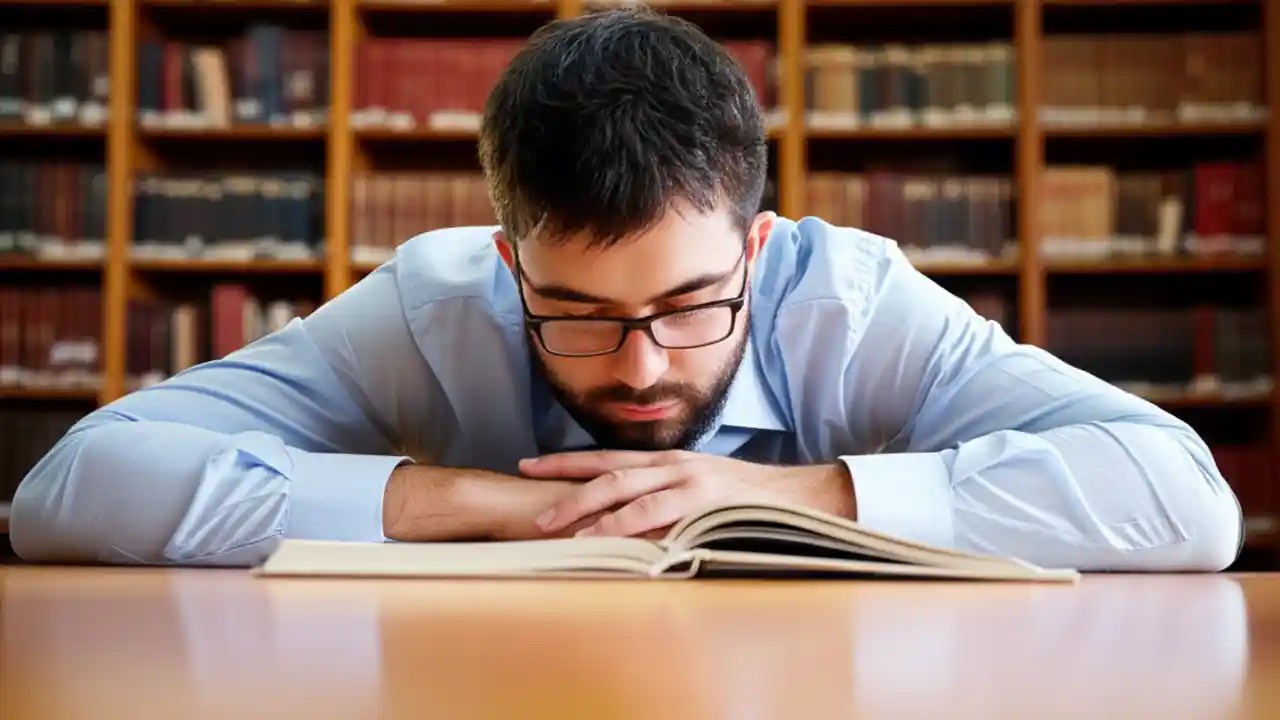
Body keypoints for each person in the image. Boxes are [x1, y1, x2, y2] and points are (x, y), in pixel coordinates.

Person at [10, 8, 1241, 571]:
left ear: (756, 251)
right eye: (580, 315)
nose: (643, 367)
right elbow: (71, 489)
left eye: (692, 306)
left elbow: (1183, 502)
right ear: (511, 268)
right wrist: (476, 504)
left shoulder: (851, 302)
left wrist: (779, 496)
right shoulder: (435, 304)